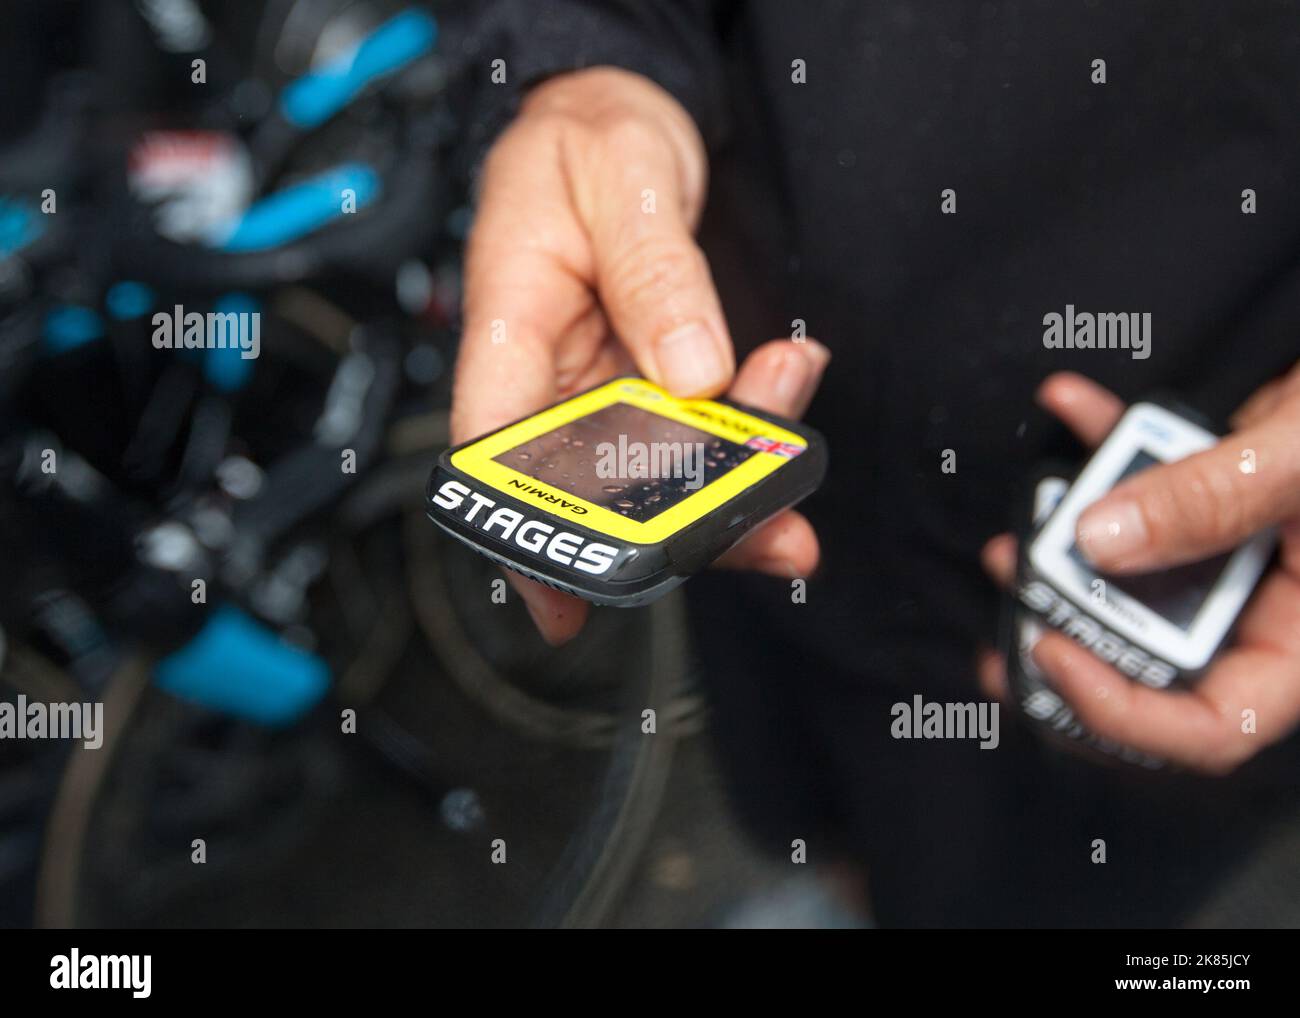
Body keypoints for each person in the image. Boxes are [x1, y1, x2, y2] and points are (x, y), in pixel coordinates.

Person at [449, 1, 1300, 925]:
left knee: (1038, 889)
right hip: (736, 458)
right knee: (802, 805)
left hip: (1166, 554)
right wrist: (589, 65)